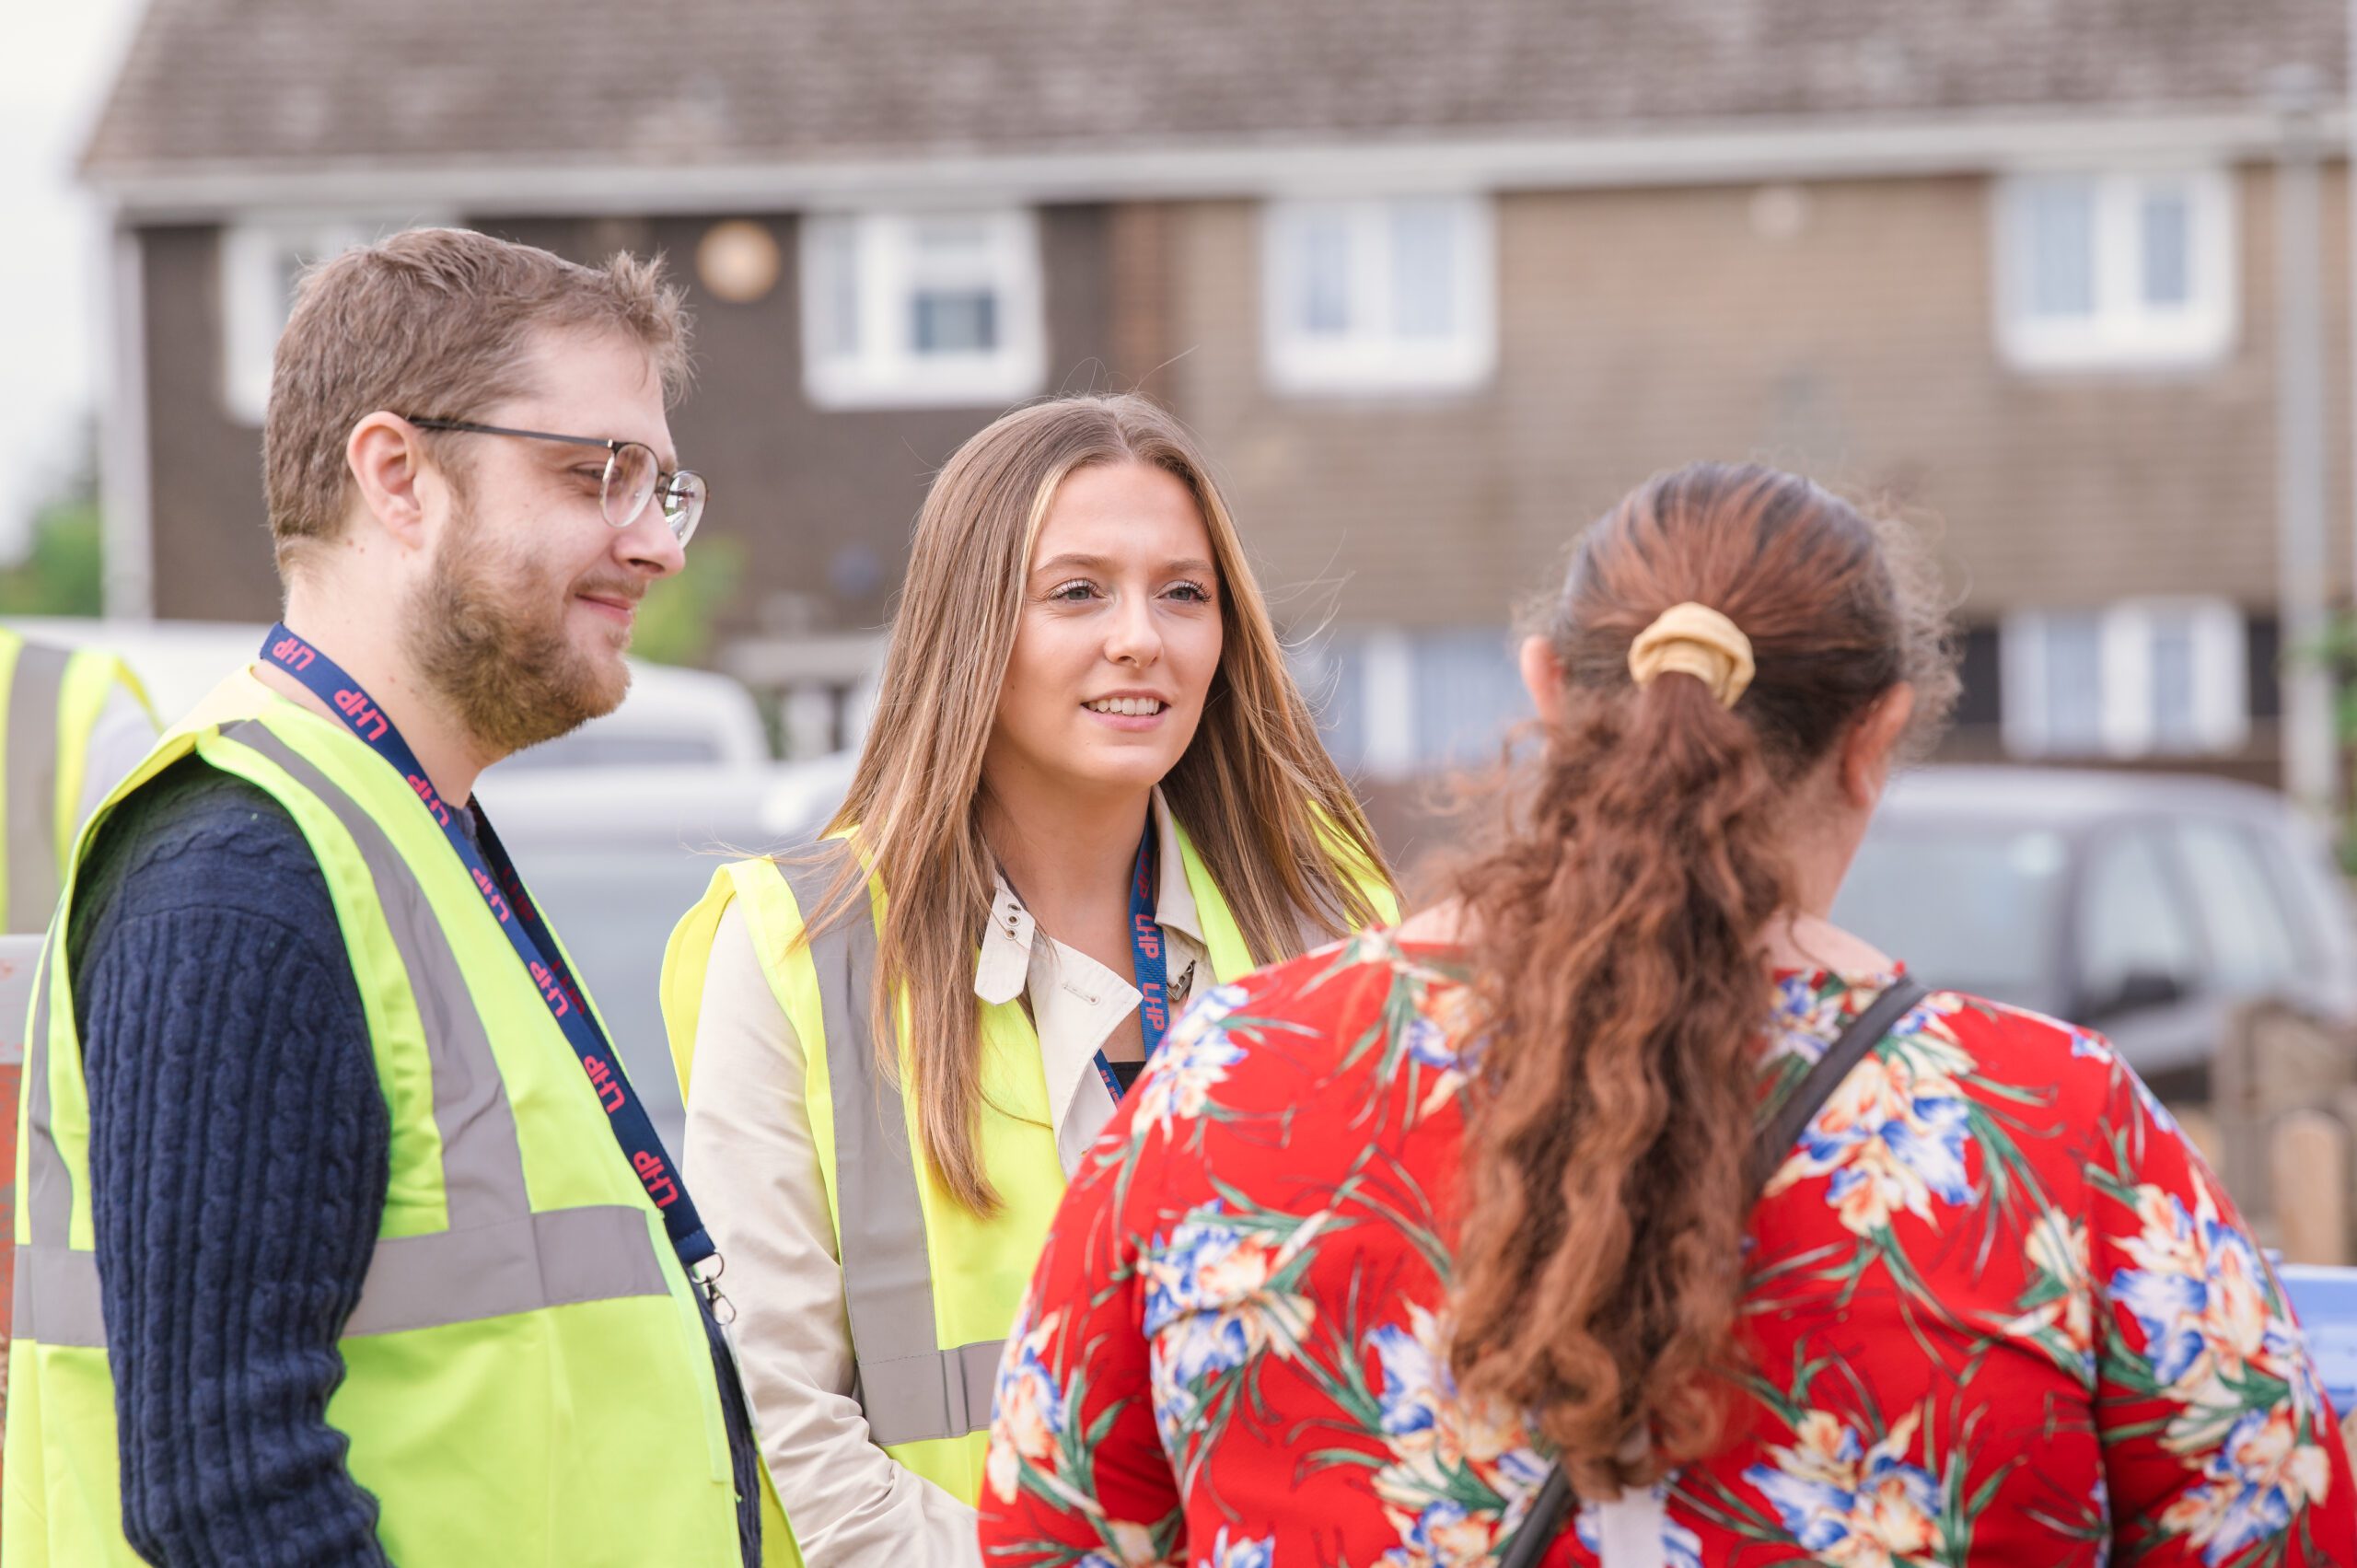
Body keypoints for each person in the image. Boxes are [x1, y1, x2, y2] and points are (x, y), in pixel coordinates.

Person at [976, 461, 2357, 1566]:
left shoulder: (1226, 1085)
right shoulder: (2055, 1130)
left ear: (1545, 690)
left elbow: (1051, 1527)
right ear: (1875, 735)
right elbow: (2280, 1522)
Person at [4, 226, 766, 1567]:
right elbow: (227, 1500)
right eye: (597, 473)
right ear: (397, 475)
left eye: (662, 486)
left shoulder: (405, 833)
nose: (654, 542)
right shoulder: (238, 877)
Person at [659, 392, 1399, 1567]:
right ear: (972, 627)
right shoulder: (797, 946)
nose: (1140, 637)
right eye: (1077, 591)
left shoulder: (1338, 924)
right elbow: (783, 1421)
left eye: (1183, 592)